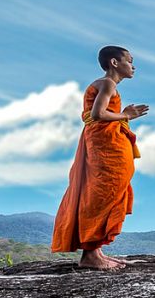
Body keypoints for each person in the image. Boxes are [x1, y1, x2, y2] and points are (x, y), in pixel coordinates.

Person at [51, 46, 149, 270]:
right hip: (105, 147)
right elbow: (98, 114)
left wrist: (122, 115)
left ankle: (96, 250)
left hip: (107, 143)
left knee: (106, 192)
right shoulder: (107, 84)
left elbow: (99, 113)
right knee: (101, 193)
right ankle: (90, 255)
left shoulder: (108, 86)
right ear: (114, 62)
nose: (133, 66)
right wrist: (126, 115)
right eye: (129, 61)